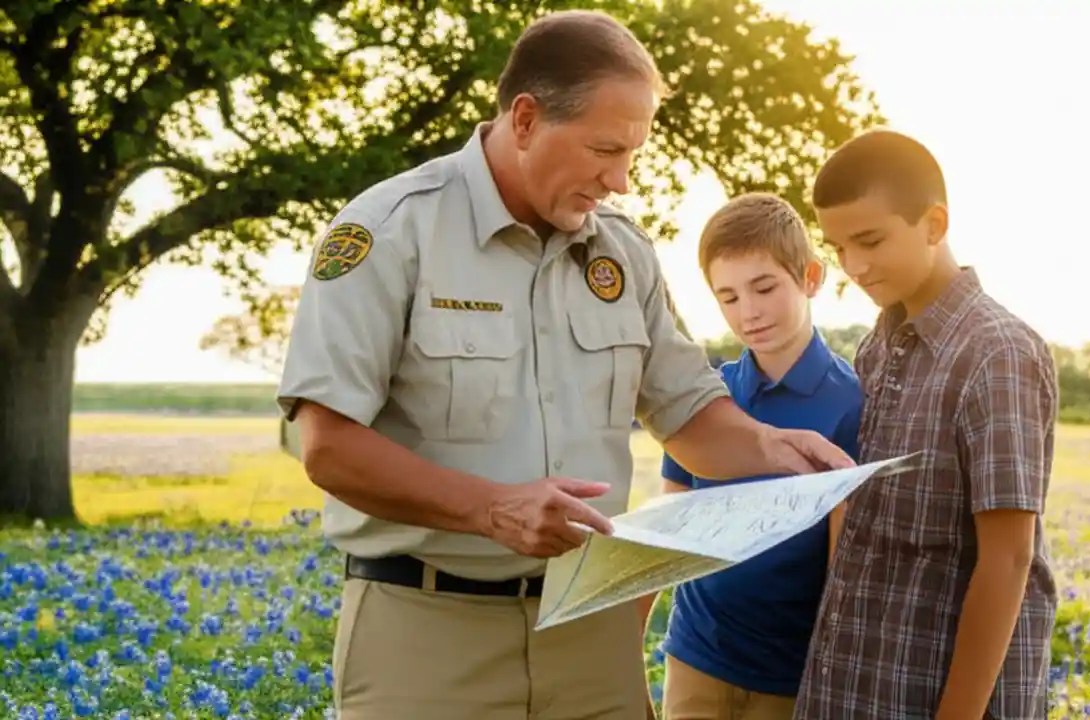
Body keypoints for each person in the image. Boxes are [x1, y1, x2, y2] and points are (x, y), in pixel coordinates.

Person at [274, 10, 854, 720]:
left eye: (632, 154)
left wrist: (770, 447)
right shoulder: (390, 231)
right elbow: (328, 448)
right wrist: (493, 510)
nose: (622, 181)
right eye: (605, 150)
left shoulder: (624, 254)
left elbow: (687, 414)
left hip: (591, 634)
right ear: (525, 119)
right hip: (426, 633)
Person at [793, 130, 1058, 720]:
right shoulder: (876, 347)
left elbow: (1009, 558)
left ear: (934, 224)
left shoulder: (998, 352)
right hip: (858, 679)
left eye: (870, 240)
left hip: (938, 691)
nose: (854, 266)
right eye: (838, 247)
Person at [643, 193, 864, 720]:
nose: (750, 312)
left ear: (810, 277)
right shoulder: (707, 398)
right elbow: (666, 532)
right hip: (696, 653)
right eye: (729, 297)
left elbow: (841, 570)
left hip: (788, 671)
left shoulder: (851, 403)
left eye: (764, 288)